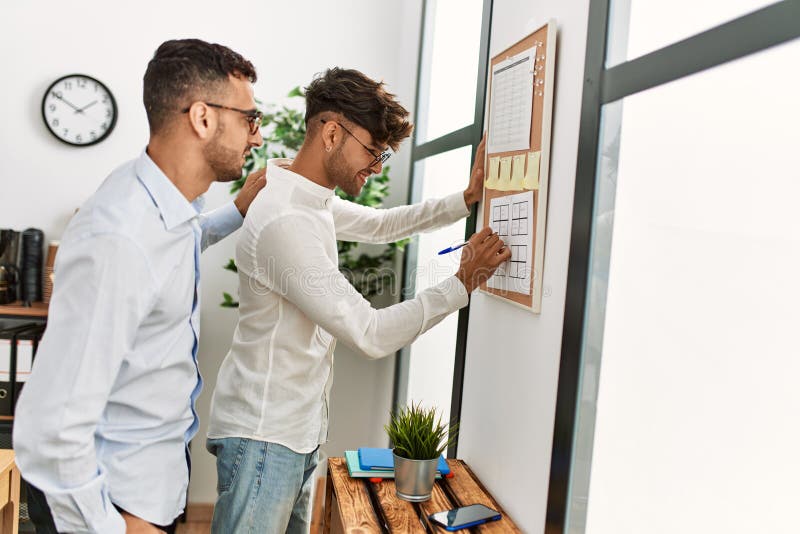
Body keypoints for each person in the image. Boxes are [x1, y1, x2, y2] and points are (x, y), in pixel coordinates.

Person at [206, 67, 510, 533]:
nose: (378, 166)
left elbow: (381, 225)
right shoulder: (286, 220)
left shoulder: (306, 195)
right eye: (373, 151)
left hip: (291, 433)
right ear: (331, 133)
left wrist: (466, 199)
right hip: (265, 438)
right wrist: (462, 282)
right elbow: (369, 333)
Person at [13, 38, 266, 533]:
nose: (255, 137)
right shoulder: (119, 237)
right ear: (203, 117)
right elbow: (50, 431)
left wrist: (236, 212)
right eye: (249, 119)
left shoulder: (163, 204)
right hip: (113, 505)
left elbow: (176, 245)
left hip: (152, 484)